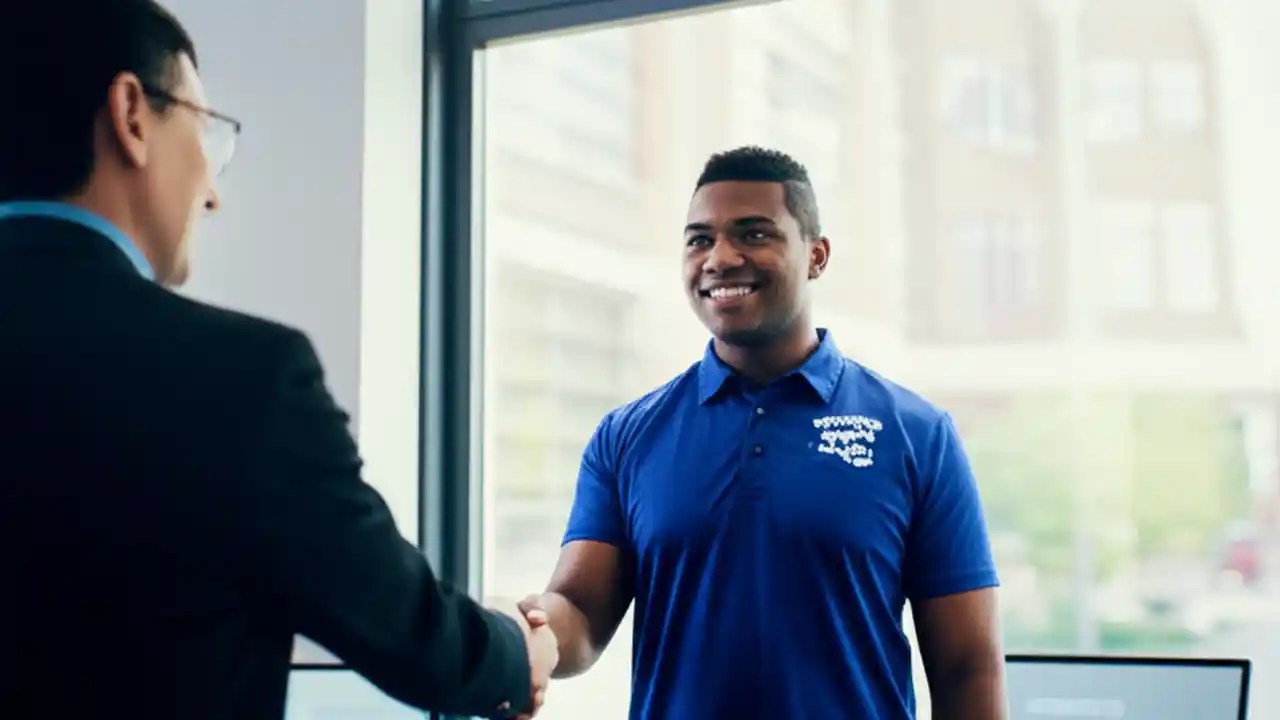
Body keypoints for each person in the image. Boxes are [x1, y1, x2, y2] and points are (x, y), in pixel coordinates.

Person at [0, 2, 555, 718]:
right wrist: (519, 647)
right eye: (203, 131)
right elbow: (421, 642)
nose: (212, 193)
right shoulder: (240, 379)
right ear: (132, 114)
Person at [519, 146, 1007, 719]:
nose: (720, 258)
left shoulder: (918, 435)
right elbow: (579, 611)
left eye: (753, 234)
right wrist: (523, 635)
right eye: (699, 239)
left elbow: (967, 666)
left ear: (816, 256)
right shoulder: (627, 436)